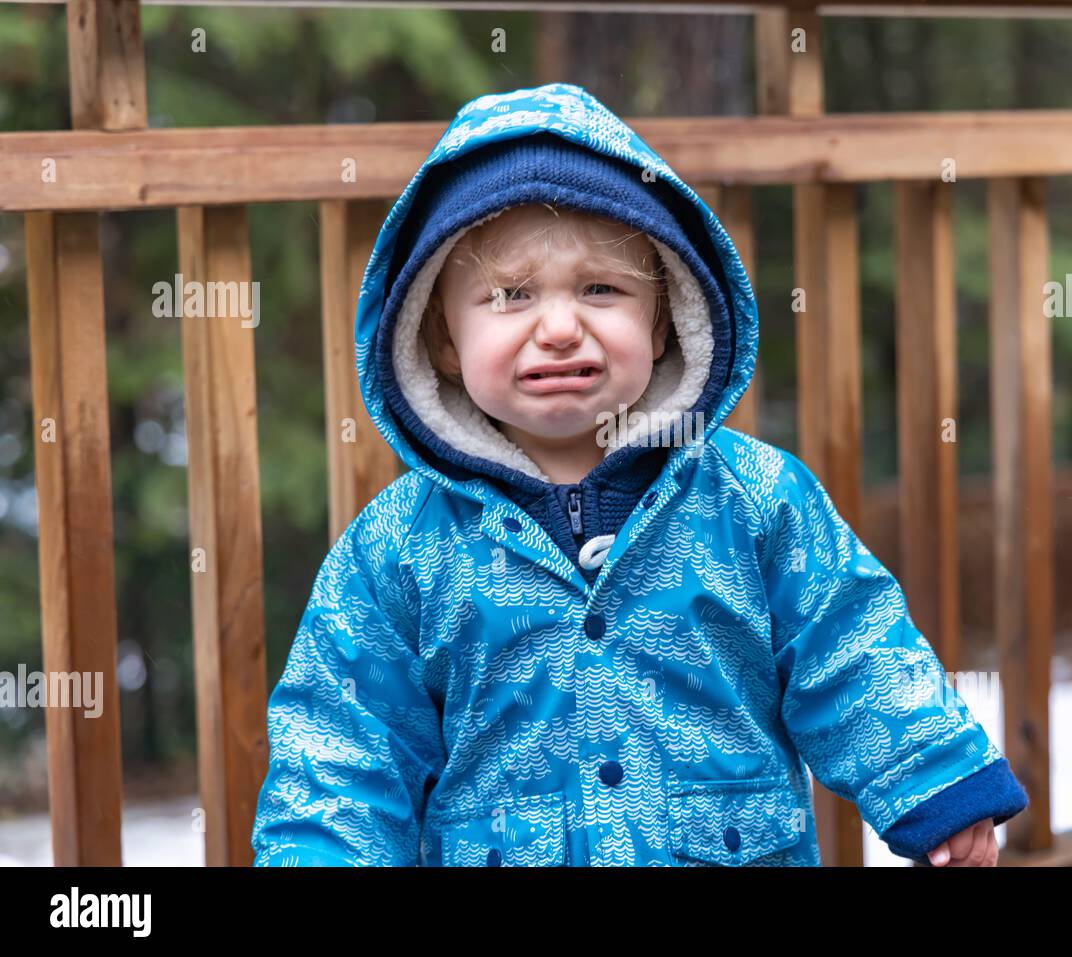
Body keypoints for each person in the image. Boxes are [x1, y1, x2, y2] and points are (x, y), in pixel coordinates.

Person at [251, 82, 1028, 867]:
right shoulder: (398, 545)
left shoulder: (754, 497)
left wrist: (936, 781)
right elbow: (345, 741)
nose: (559, 327)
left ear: (664, 321)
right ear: (444, 342)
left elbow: (852, 645)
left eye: (601, 289)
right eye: (510, 296)